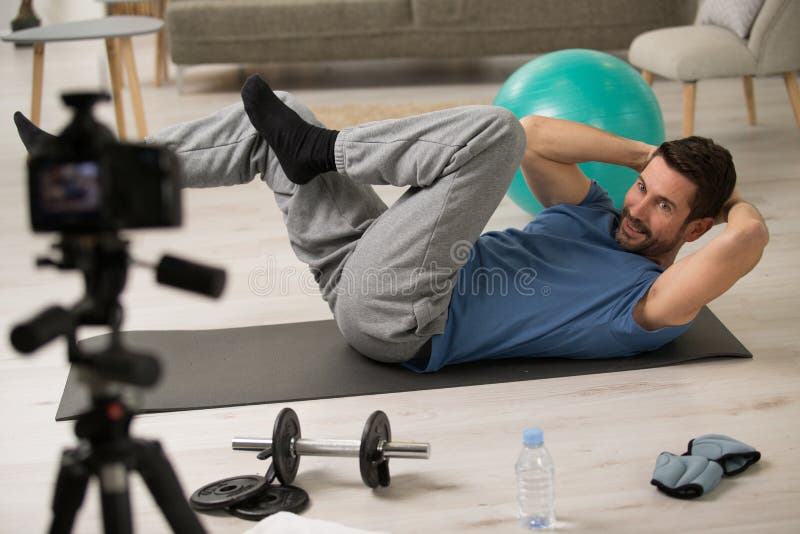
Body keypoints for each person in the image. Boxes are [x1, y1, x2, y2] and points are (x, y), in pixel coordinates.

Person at [13, 75, 769, 372]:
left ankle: (327, 151)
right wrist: (652, 155)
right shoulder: (595, 213)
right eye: (644, 189)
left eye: (665, 207)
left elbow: (749, 237)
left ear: (697, 228)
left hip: (406, 319)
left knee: (491, 130)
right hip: (369, 262)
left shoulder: (650, 304)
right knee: (276, 129)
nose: (639, 208)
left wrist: (721, 201)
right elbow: (542, 132)